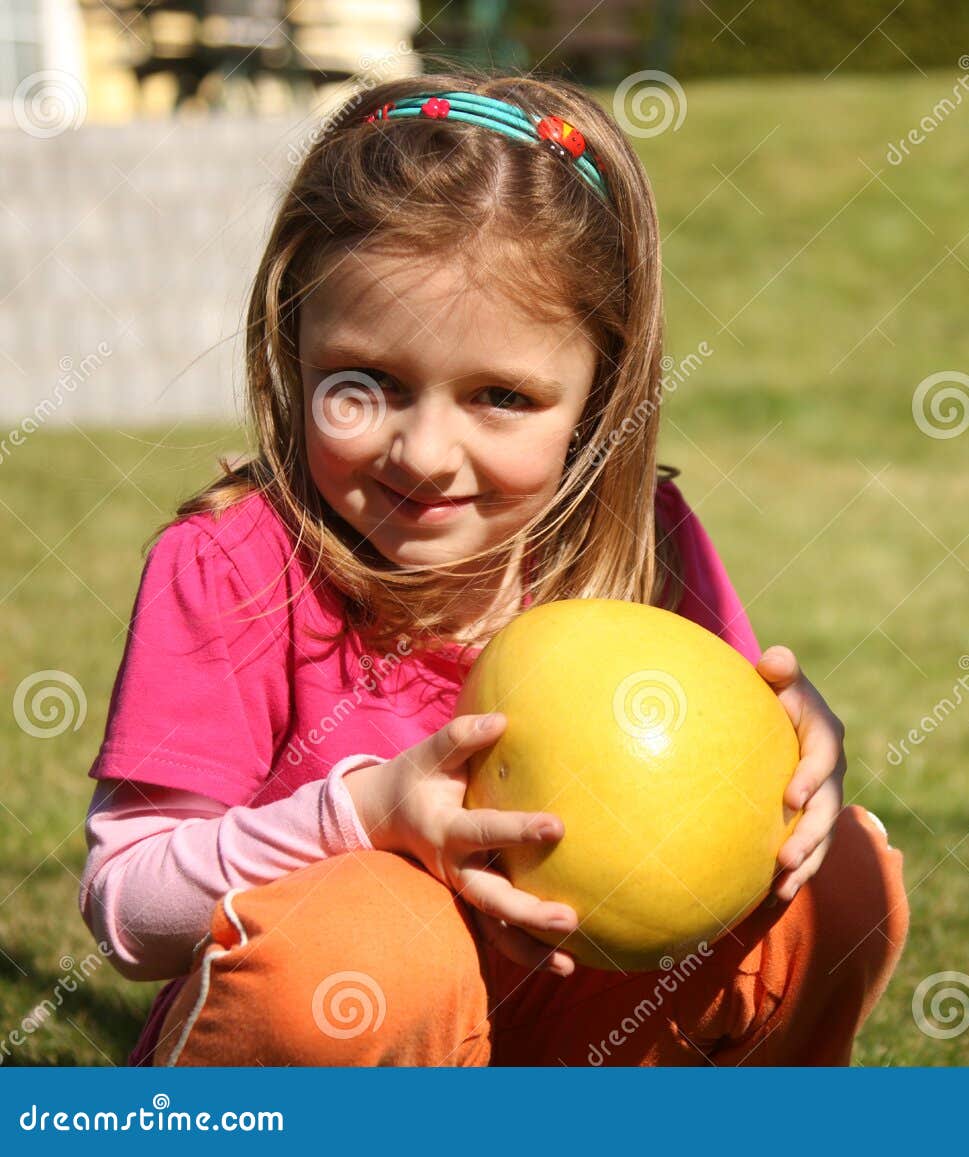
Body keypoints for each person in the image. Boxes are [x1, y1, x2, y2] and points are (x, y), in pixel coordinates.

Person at [78, 75, 908, 1066]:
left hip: (558, 1040)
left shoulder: (644, 541)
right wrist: (365, 815)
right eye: (367, 382)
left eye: (501, 396)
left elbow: (722, 804)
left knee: (836, 876)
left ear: (600, 390)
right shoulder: (234, 565)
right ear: (291, 341)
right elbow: (126, 905)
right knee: (375, 940)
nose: (425, 452)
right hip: (353, 1033)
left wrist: (790, 763)